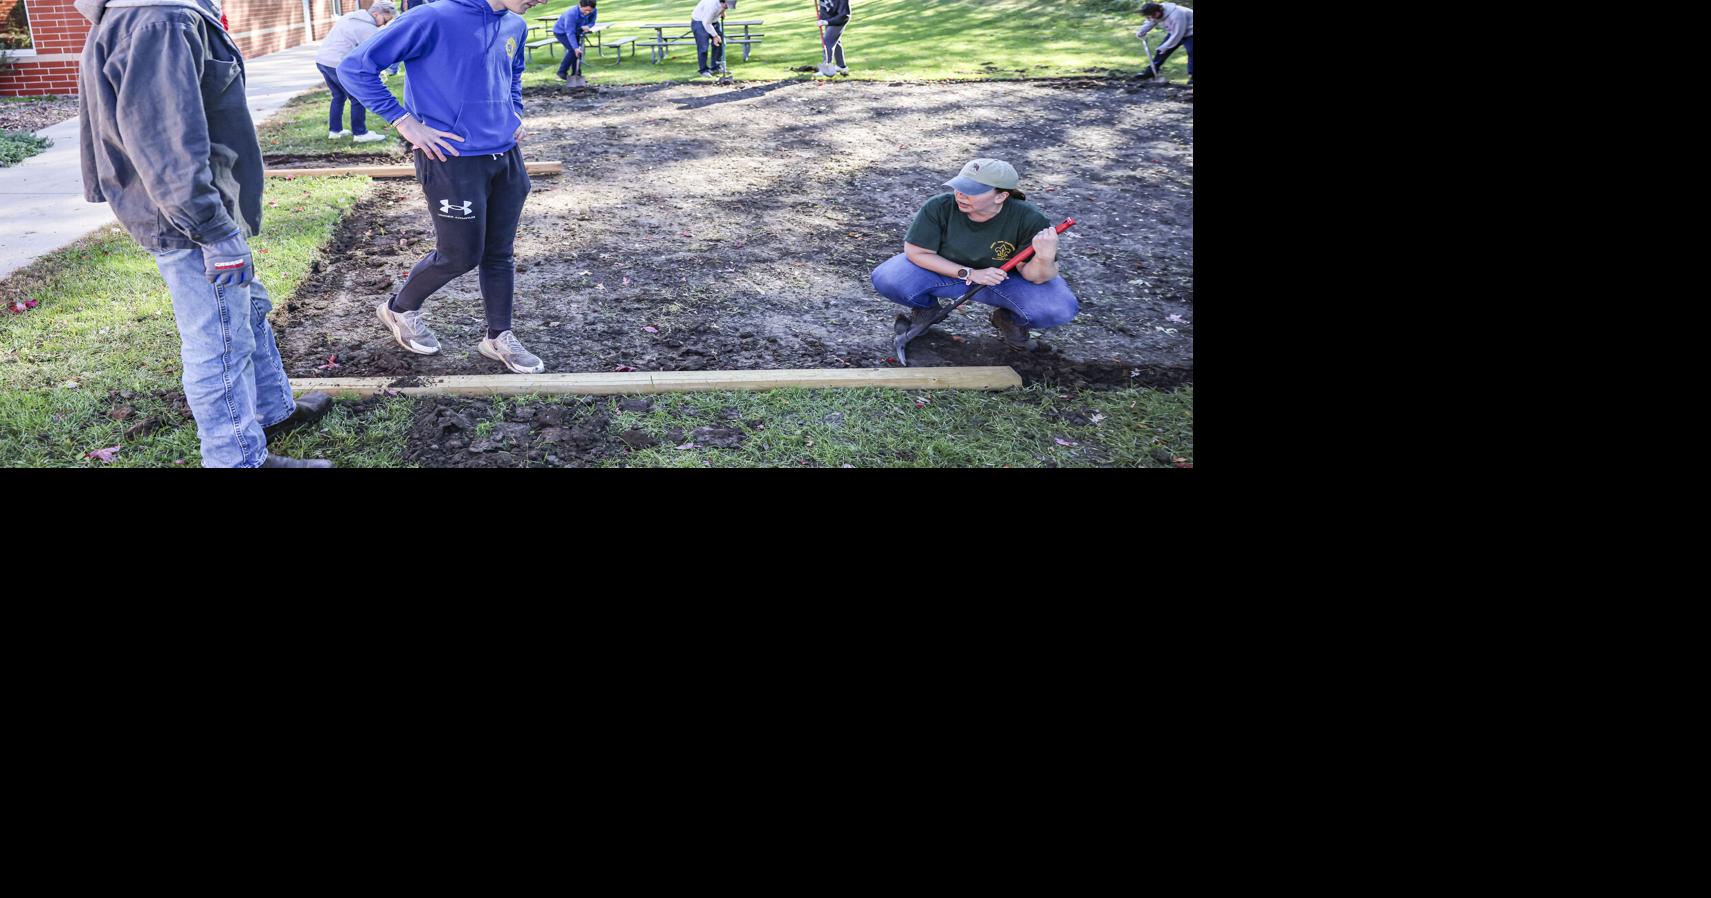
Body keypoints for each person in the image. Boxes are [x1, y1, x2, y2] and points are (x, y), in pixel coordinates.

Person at [76, 0, 335, 468]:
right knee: (218, 341)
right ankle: (234, 458)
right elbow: (165, 142)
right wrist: (213, 231)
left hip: (193, 207)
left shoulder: (164, 13)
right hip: (189, 219)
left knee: (247, 307)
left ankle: (272, 411)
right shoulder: (161, 19)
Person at [337, 0, 551, 375]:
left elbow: (512, 74)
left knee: (499, 252)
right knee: (459, 255)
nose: (543, 1)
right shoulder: (432, 17)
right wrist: (404, 122)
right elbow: (354, 68)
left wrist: (515, 111)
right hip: (450, 156)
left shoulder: (515, 25)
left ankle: (498, 336)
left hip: (505, 156)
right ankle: (399, 309)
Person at [870, 159, 1076, 353]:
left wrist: (1044, 257)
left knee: (1058, 307)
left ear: (1001, 196)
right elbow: (916, 252)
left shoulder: (1029, 219)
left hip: (1004, 281)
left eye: (972, 191)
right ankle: (926, 310)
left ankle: (1010, 320)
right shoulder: (939, 207)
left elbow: (1036, 277)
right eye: (960, 187)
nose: (960, 195)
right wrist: (969, 273)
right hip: (947, 273)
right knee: (888, 277)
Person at [315, 0, 398, 142]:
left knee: (338, 96)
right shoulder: (367, 28)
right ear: (376, 13)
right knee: (357, 98)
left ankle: (335, 131)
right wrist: (385, 70)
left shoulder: (351, 16)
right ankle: (360, 134)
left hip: (322, 60)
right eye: (385, 20)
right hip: (336, 63)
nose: (383, 24)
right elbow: (374, 53)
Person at [1134, 2, 1192, 87]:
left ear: (1159, 11)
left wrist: (1166, 46)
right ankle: (1150, 72)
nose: (1151, 18)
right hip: (1175, 31)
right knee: (1160, 51)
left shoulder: (1176, 14)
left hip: (1190, 32)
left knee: (1192, 52)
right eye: (1149, 16)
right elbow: (1150, 22)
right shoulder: (1154, 13)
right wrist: (1142, 31)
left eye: (1152, 15)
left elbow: (1178, 33)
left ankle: (1192, 78)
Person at [553, 0, 596, 87]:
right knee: (573, 50)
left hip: (577, 31)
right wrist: (575, 47)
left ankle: (576, 74)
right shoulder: (571, 14)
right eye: (585, 10)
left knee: (578, 52)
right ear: (579, 5)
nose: (587, 13)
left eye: (590, 11)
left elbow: (592, 22)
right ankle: (561, 72)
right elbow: (570, 33)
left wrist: (588, 26)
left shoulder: (593, 10)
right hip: (562, 32)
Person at [690, 0, 729, 78]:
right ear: (723, 2)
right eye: (727, 5)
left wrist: (722, 11)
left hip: (712, 21)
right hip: (700, 22)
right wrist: (715, 36)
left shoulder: (722, 4)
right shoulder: (711, 6)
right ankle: (703, 70)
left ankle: (716, 66)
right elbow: (706, 23)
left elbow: (723, 7)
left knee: (721, 43)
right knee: (703, 47)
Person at [817, 0, 850, 76]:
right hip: (829, 19)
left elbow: (844, 15)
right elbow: (824, 7)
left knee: (827, 42)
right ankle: (841, 66)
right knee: (835, 41)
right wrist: (823, 20)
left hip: (840, 20)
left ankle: (826, 69)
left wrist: (827, 22)